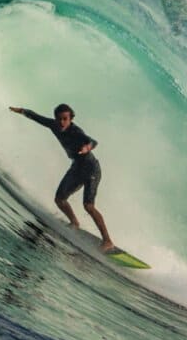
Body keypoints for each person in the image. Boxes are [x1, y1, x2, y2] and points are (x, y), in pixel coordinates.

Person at [8, 103, 115, 252]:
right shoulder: (54, 125)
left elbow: (93, 141)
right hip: (77, 168)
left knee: (88, 206)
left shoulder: (76, 132)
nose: (62, 122)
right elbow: (35, 116)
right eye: (59, 119)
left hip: (91, 169)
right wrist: (21, 111)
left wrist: (87, 148)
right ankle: (74, 222)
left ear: (71, 119)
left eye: (65, 119)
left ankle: (108, 241)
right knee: (60, 199)